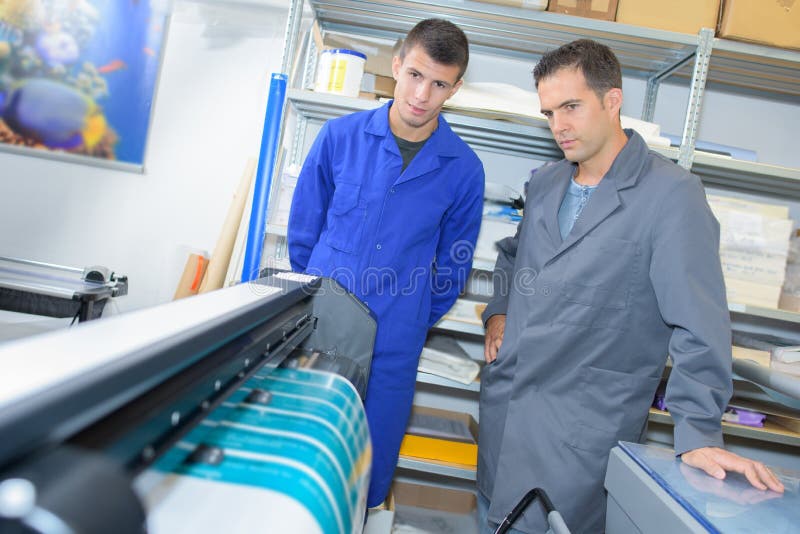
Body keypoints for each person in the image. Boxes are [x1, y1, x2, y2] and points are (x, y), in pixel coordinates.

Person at [478, 39, 784, 534]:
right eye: (549, 112)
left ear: (613, 100)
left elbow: (699, 323)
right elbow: (514, 257)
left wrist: (698, 431)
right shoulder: (547, 183)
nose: (559, 126)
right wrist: (499, 311)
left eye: (571, 107)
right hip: (505, 424)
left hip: (577, 443)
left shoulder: (672, 196)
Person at [287, 19, 484, 508]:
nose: (422, 93)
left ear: (455, 88)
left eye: (439, 84)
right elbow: (304, 234)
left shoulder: (463, 170)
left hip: (394, 349)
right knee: (302, 462)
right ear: (397, 65)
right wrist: (321, 303)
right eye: (415, 74)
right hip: (322, 335)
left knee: (369, 475)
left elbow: (453, 265)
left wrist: (412, 314)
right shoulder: (339, 138)